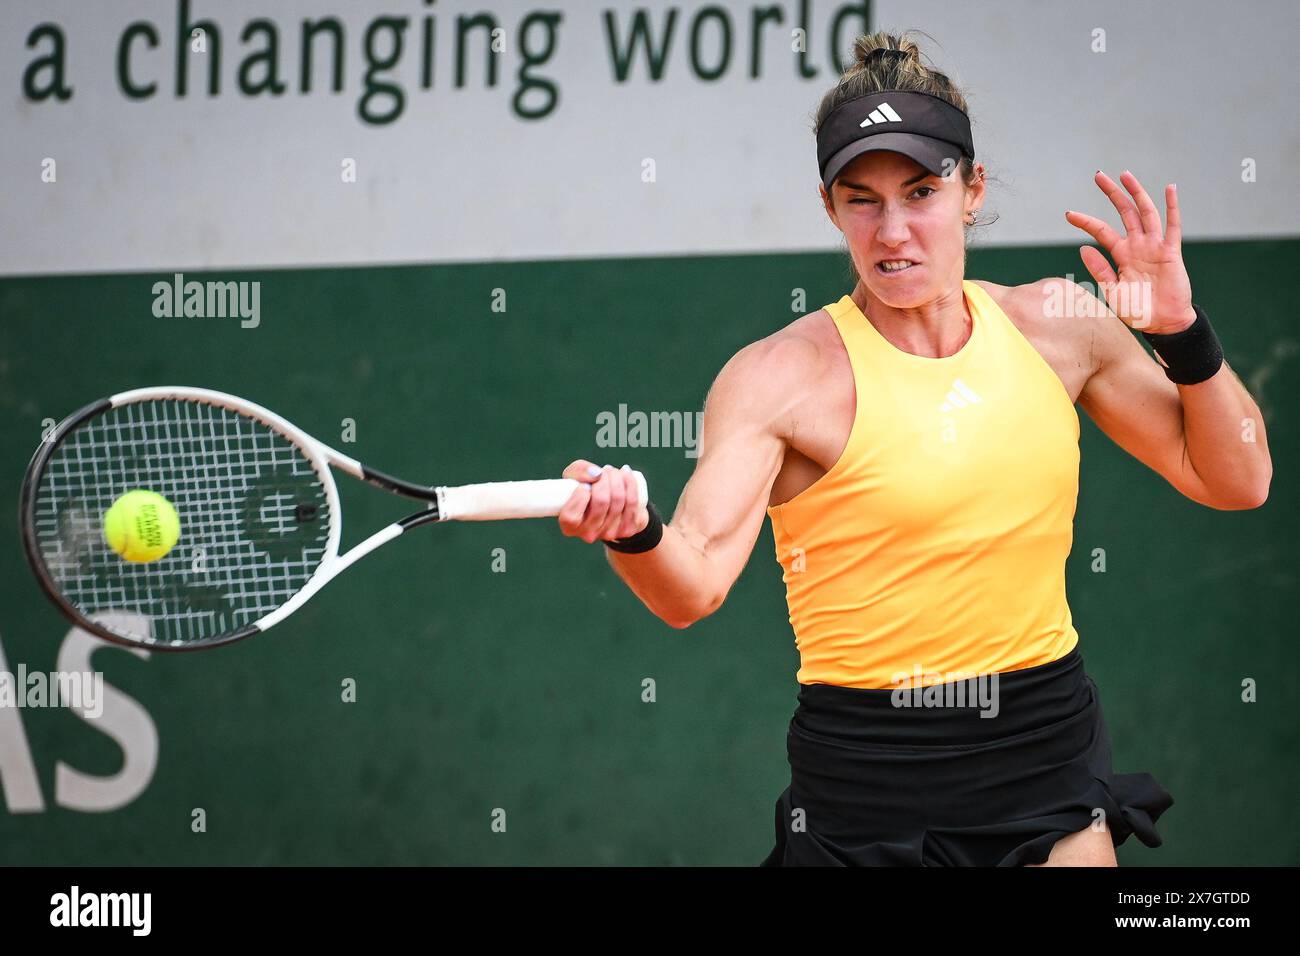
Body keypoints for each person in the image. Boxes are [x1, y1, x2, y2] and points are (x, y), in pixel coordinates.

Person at [555, 31, 1272, 866]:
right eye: (861, 199)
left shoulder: (1058, 326)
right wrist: (633, 530)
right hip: (865, 789)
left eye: (921, 191)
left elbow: (1239, 479)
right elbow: (692, 585)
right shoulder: (778, 379)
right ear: (830, 207)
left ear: (973, 189)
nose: (893, 230)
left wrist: (1182, 334)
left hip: (1045, 760)